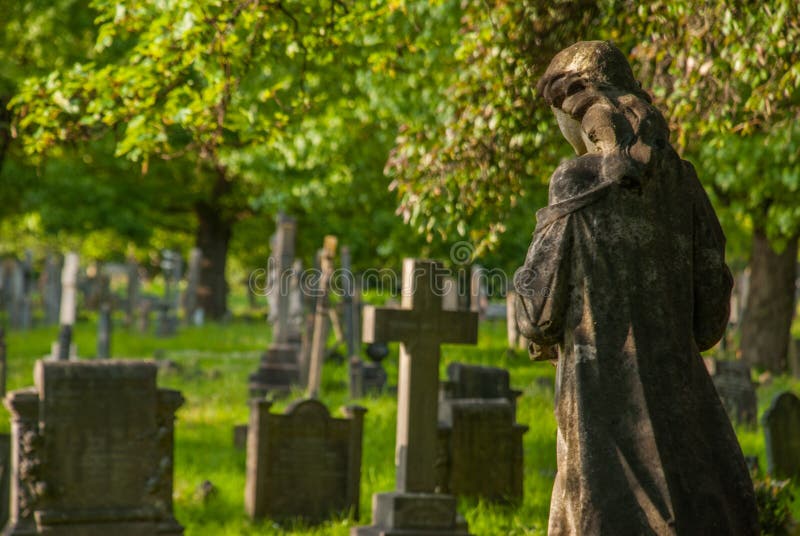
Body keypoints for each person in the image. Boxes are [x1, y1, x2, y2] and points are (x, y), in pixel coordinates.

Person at [514, 41, 759, 535]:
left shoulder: (576, 181)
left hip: (602, 421)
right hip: (686, 422)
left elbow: (536, 313)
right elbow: (711, 318)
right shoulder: (685, 185)